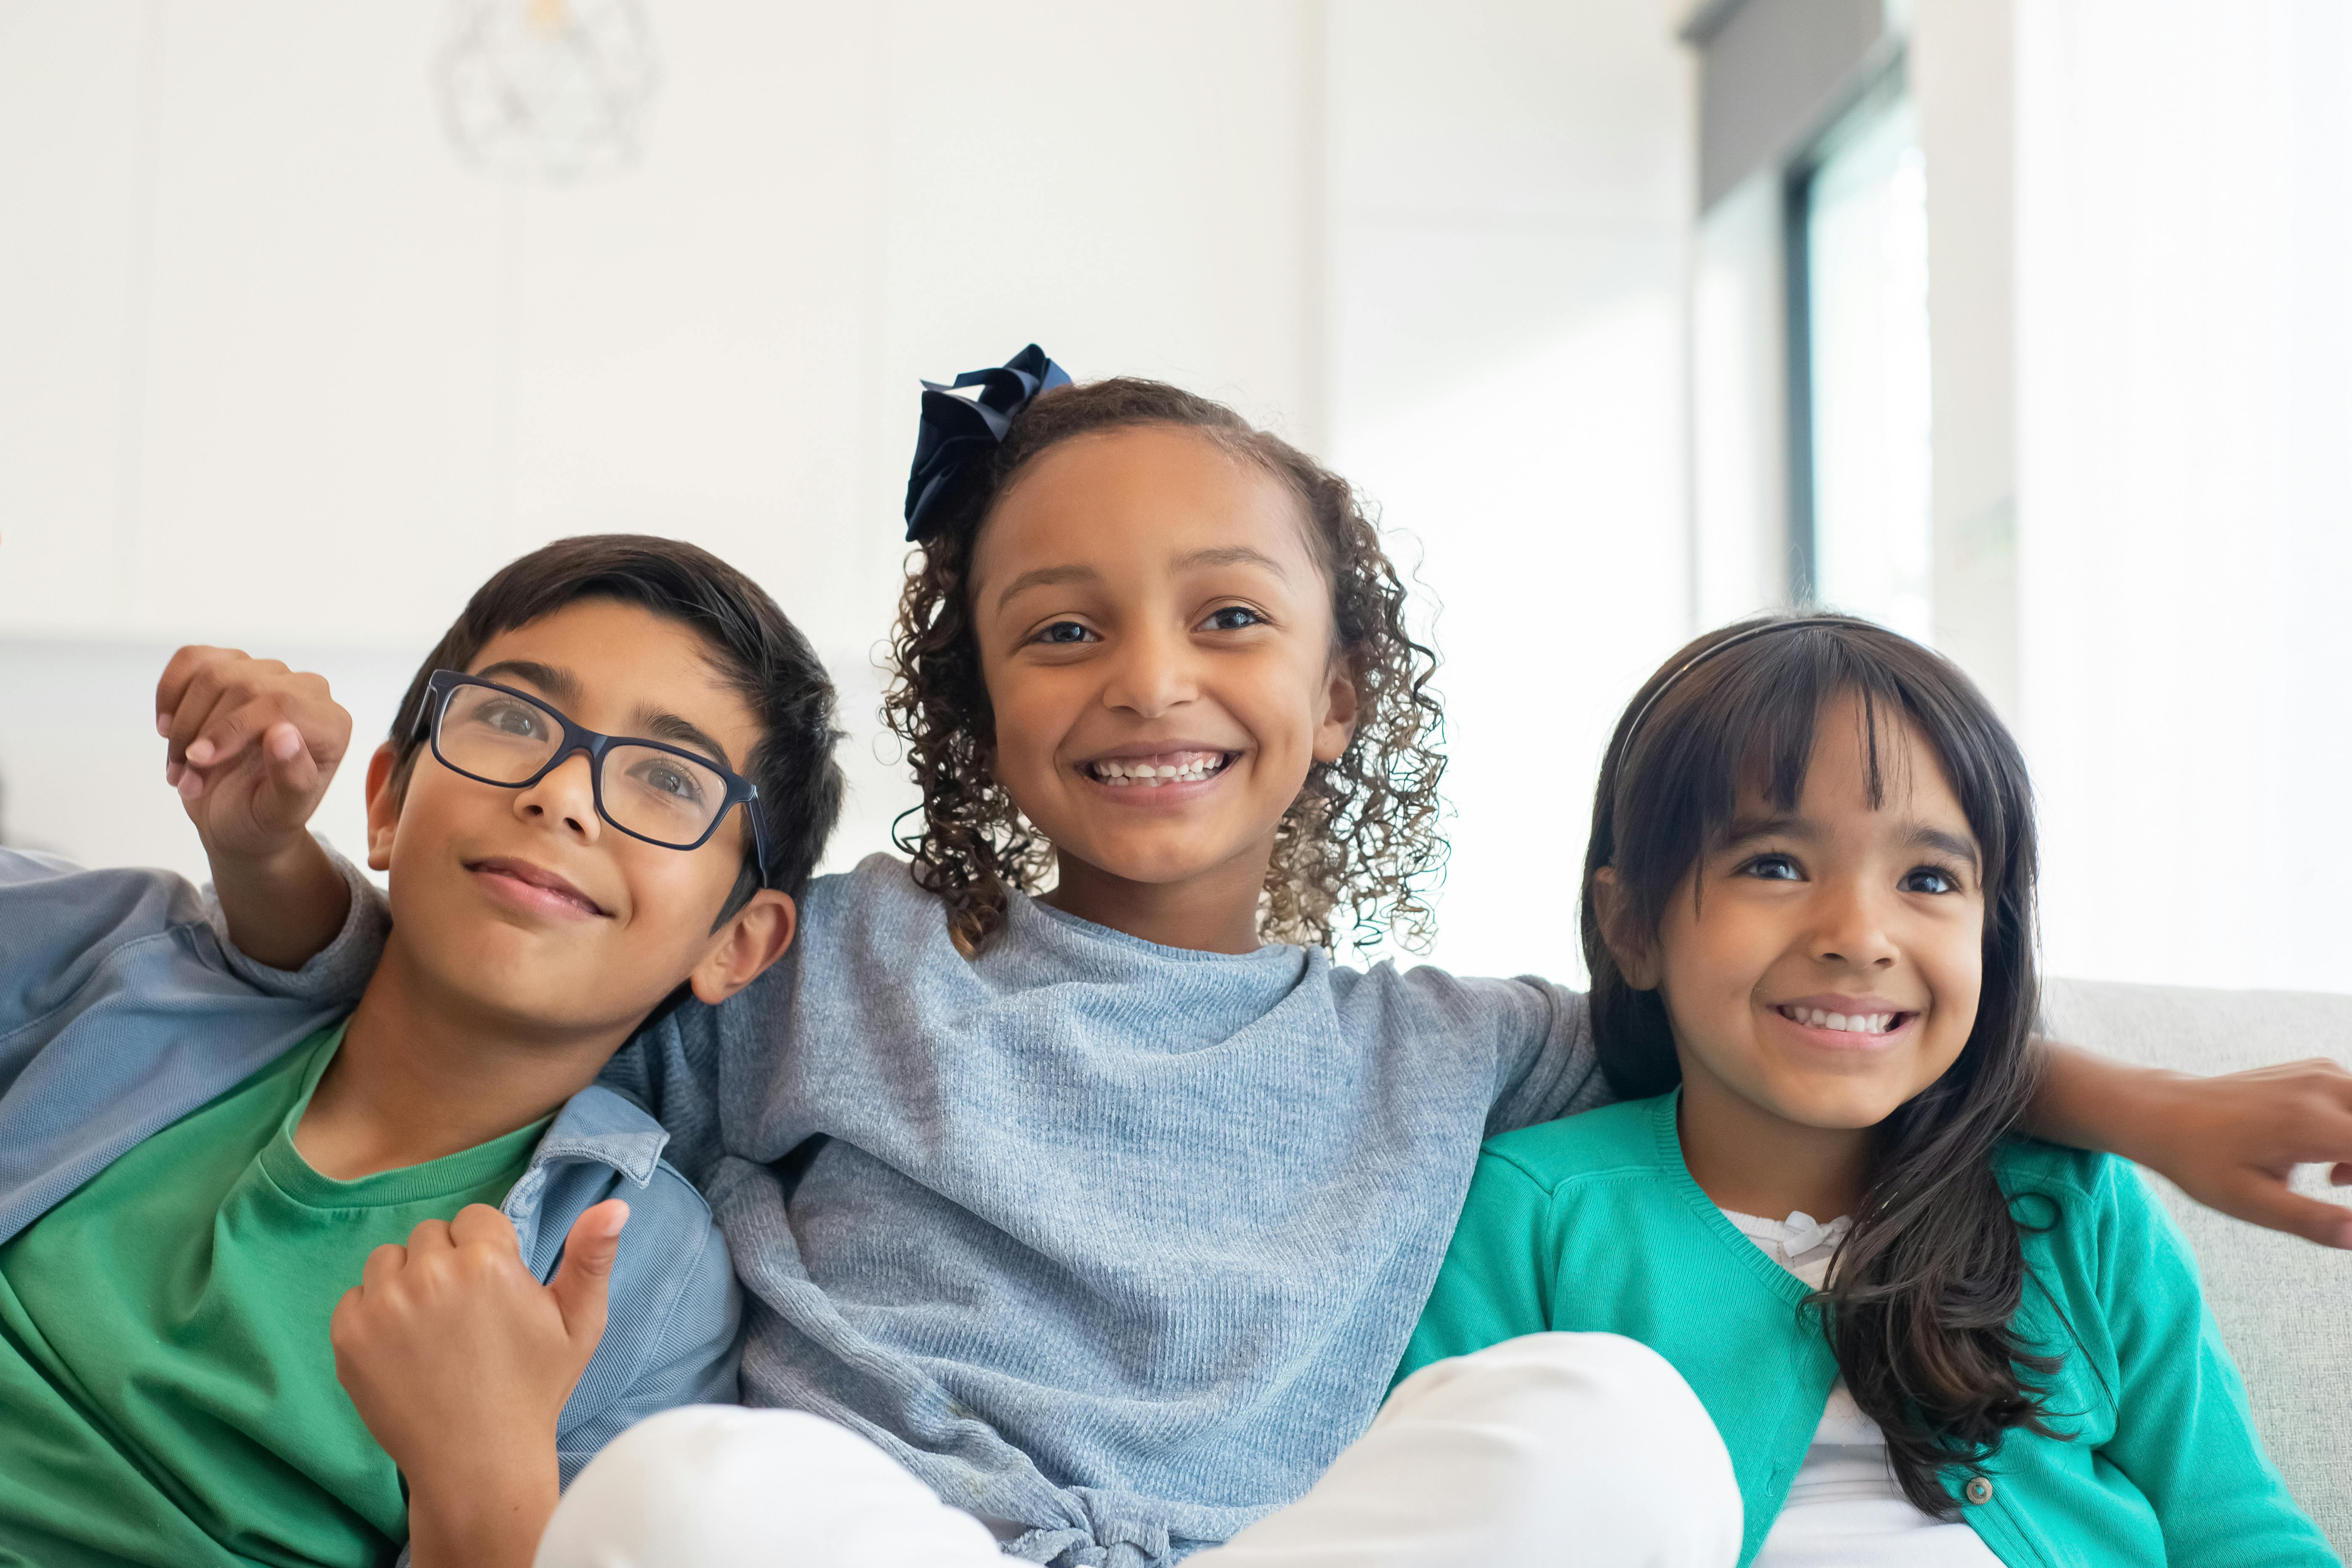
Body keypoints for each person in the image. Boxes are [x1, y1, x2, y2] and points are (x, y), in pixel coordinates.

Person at [213, 352, 2352, 1568]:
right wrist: (282, 848)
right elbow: (500, 966)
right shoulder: (822, 960)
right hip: (900, 1545)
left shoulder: (1460, 1055)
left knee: (1614, 1425)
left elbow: (1800, 1016)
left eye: (1230, 619)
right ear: (977, 707)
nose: (1153, 680)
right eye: (1063, 629)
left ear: (1343, 695)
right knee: (684, 1495)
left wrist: (2152, 1111)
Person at [1401, 613, 2340, 1565]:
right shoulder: (1530, 1215)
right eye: (1772, 864)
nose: (1859, 934)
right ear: (1632, 924)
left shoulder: (2069, 1208)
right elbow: (1441, 1528)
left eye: (1929, 879)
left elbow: (2237, 1531)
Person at [0, 535, 842, 1567]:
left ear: (735, 942)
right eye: (511, 721)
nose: (562, 797)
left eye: (670, 781)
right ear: (390, 802)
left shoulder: (643, 1281)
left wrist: (482, 1469)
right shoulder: (133, 963)